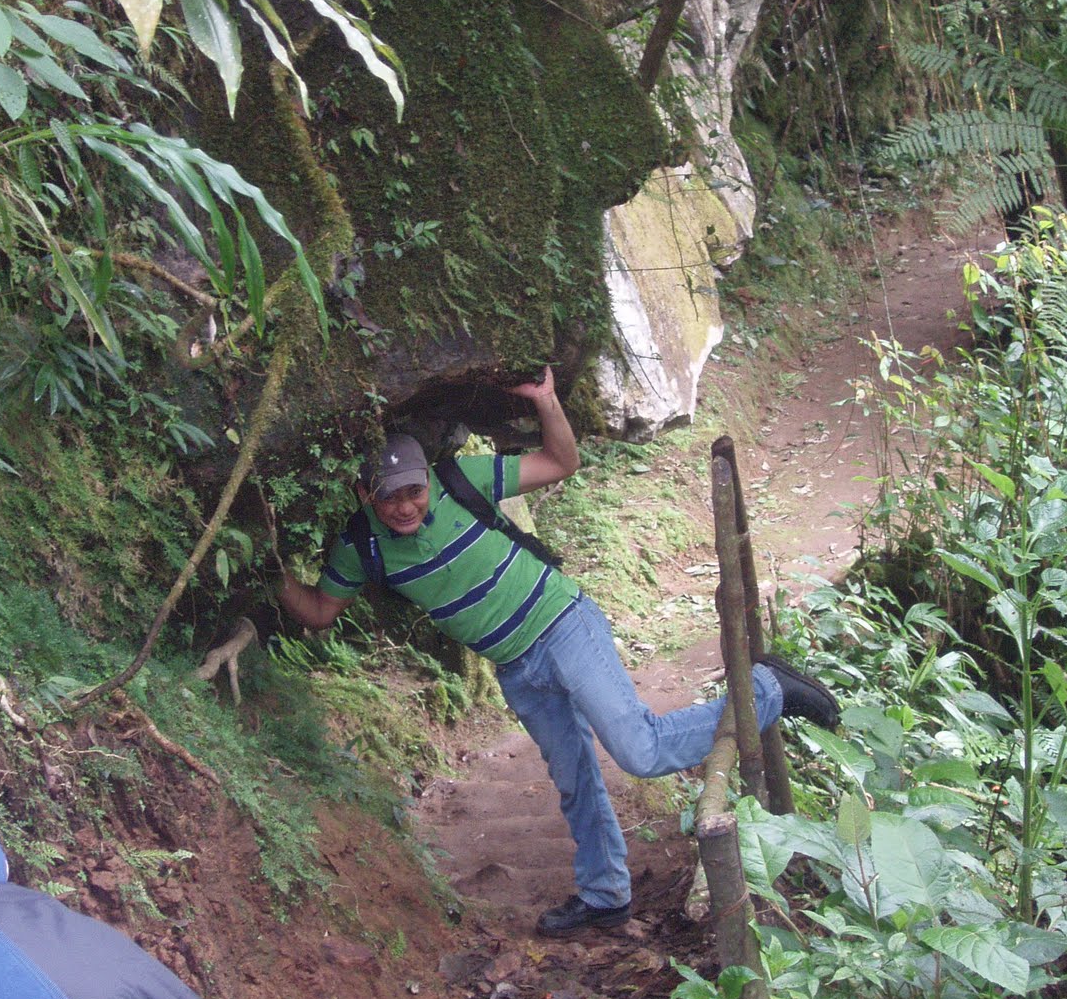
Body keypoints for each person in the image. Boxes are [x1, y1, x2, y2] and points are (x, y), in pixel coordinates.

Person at [275, 369, 838, 938]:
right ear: (364, 494)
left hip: (563, 624)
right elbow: (321, 611)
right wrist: (263, 568)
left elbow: (559, 463)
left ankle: (767, 690)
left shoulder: (457, 479)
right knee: (575, 777)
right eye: (389, 496)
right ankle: (605, 896)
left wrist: (547, 402)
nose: (404, 507)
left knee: (638, 750)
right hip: (515, 666)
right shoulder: (361, 545)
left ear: (427, 481)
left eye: (412, 491)